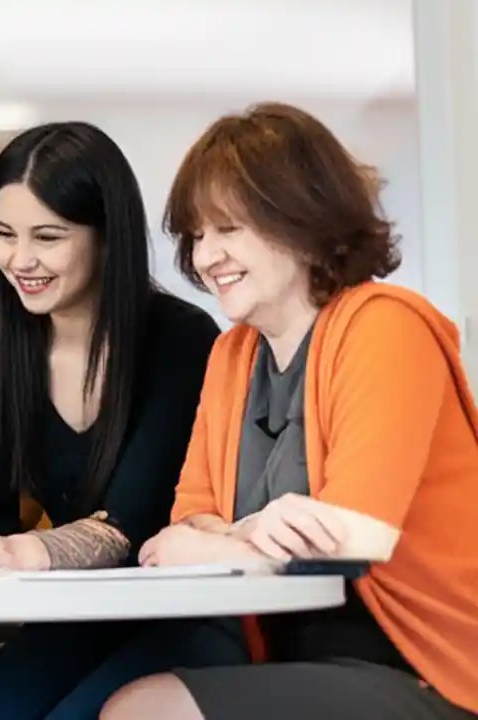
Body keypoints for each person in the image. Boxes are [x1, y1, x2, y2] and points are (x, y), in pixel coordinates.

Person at [98, 103, 478, 720]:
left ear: (301, 217)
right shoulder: (233, 354)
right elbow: (183, 529)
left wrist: (235, 540)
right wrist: (258, 537)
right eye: (196, 235)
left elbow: (356, 536)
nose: (204, 256)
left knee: (142, 709)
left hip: (427, 671)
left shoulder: (385, 326)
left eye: (228, 229)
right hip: (291, 658)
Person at [0, 122, 227, 719]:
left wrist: (21, 552)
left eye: (48, 236)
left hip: (177, 615)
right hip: (76, 619)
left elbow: (129, 523)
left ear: (106, 237)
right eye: (5, 234)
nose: (21, 260)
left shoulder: (181, 339)